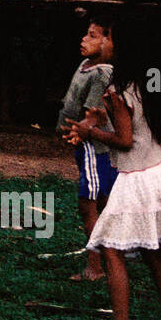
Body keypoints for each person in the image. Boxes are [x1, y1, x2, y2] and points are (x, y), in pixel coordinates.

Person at [64, 18, 161, 320]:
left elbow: (124, 140)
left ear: (122, 49)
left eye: (109, 39)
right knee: (154, 254)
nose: (105, 43)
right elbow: (146, 129)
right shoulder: (150, 86)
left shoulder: (119, 91)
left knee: (112, 250)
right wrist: (104, 119)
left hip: (137, 179)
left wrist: (91, 133)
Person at [56, 15, 116, 281]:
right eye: (86, 33)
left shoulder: (103, 74)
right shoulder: (86, 65)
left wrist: (79, 133)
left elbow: (94, 113)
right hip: (85, 144)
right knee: (101, 202)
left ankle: (96, 266)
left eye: (92, 35)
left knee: (88, 204)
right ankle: (112, 255)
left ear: (109, 41)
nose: (84, 38)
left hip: (93, 146)